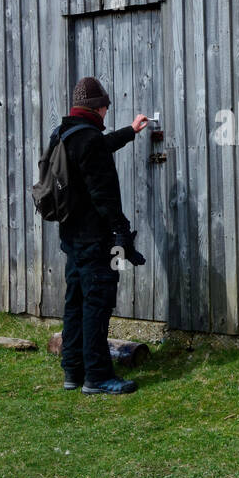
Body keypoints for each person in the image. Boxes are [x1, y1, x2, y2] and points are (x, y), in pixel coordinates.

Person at [55, 76, 149, 395]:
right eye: (106, 108)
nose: (107, 113)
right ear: (98, 107)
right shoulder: (89, 139)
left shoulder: (64, 134)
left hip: (71, 238)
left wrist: (130, 131)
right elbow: (104, 196)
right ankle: (97, 376)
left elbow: (98, 147)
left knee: (76, 303)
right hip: (96, 241)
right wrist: (122, 234)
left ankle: (73, 371)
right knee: (97, 304)